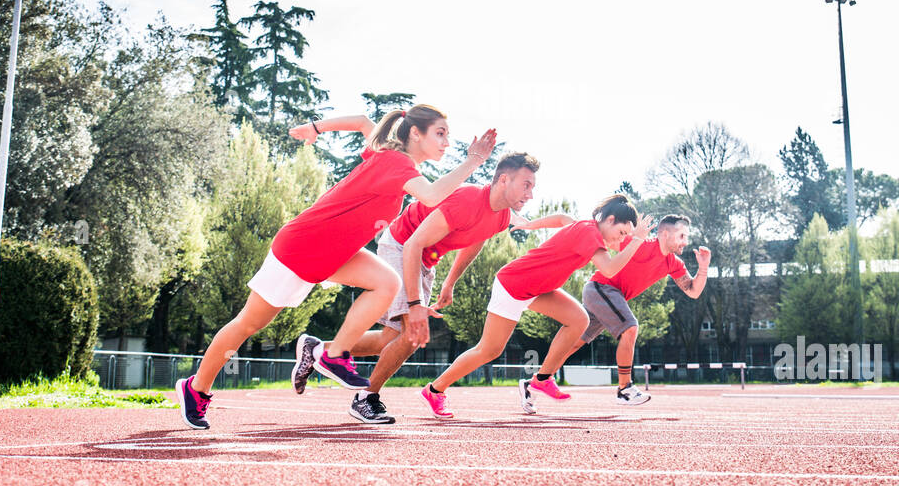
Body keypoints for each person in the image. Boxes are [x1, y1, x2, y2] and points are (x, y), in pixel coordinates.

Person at [174, 105, 496, 430]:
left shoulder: (385, 154)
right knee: (247, 325)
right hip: (301, 248)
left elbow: (360, 122)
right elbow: (430, 196)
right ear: (416, 133)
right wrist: (474, 160)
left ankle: (333, 353)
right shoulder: (395, 163)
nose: (446, 142)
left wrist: (316, 127)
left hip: (333, 254)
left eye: (447, 136)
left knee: (387, 282)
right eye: (440, 133)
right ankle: (196, 388)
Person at [296, 152, 573, 424]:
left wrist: (450, 282)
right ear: (503, 180)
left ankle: (319, 349)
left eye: (533, 187)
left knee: (387, 340)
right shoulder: (467, 199)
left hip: (425, 258)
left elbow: (474, 241)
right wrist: (416, 305)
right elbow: (414, 244)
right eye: (526, 185)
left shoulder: (500, 216)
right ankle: (366, 398)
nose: (530, 194)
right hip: (402, 245)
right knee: (412, 333)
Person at [420, 194, 653, 418]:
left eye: (626, 237)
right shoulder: (589, 233)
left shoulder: (585, 228)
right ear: (609, 220)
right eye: (622, 232)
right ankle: (434, 390)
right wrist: (638, 240)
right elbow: (610, 269)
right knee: (489, 350)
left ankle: (541, 379)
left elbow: (562, 218)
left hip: (536, 289)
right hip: (513, 285)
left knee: (578, 319)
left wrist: (531, 224)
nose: (621, 240)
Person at [573, 214, 710, 404]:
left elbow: (693, 291)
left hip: (611, 298)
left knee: (574, 342)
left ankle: (536, 380)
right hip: (601, 288)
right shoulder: (640, 244)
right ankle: (624, 388)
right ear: (664, 234)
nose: (685, 242)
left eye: (687, 237)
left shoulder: (673, 263)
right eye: (681, 236)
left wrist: (703, 269)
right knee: (630, 327)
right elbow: (604, 238)